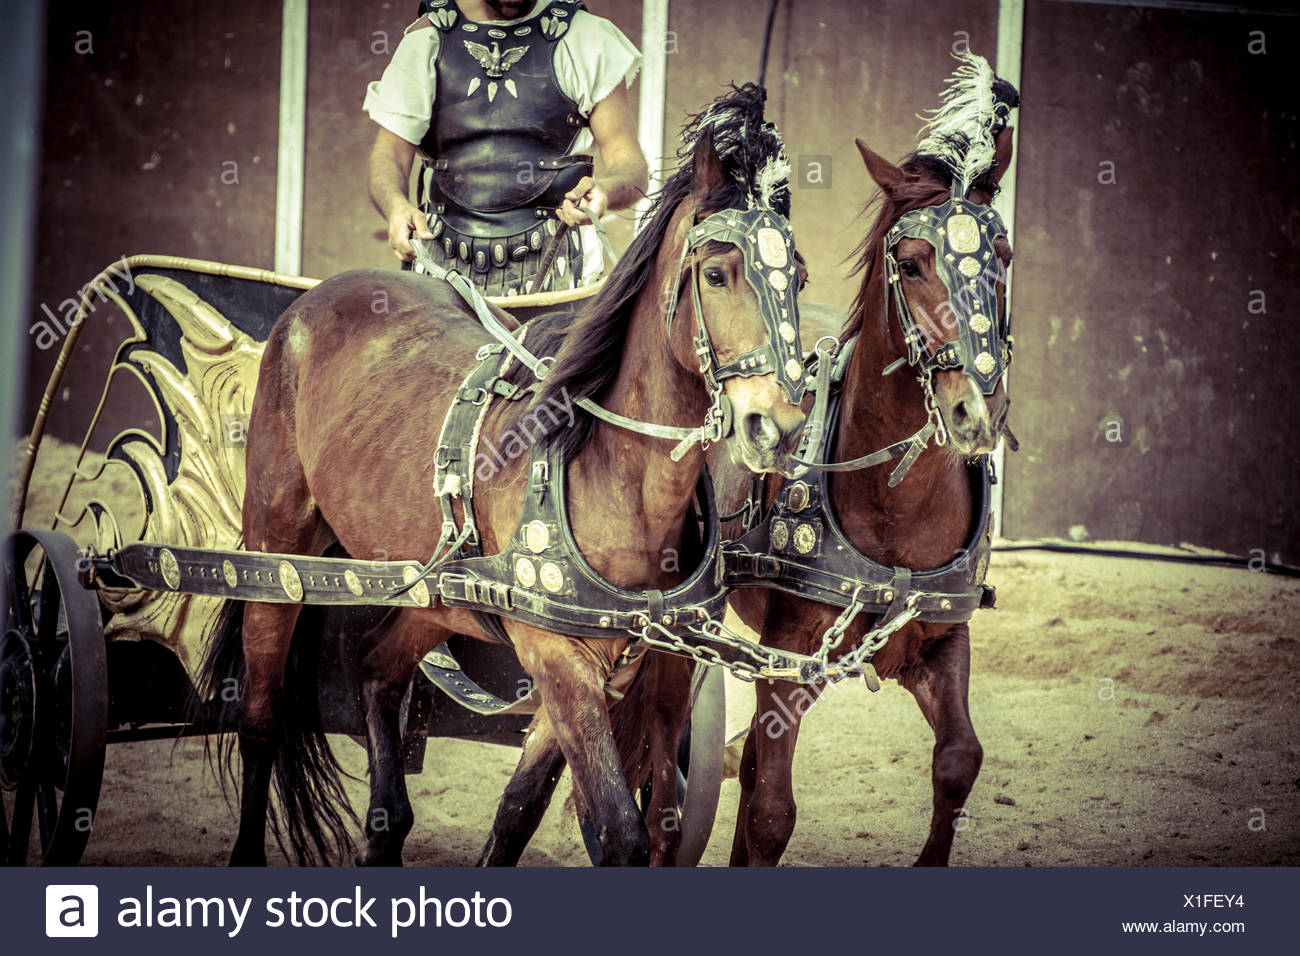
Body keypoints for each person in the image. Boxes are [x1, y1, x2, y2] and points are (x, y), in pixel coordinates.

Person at [364, 0, 648, 296]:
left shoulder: (588, 39)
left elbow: (630, 166)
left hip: (559, 264)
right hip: (440, 259)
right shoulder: (426, 40)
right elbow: (390, 155)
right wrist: (395, 207)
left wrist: (606, 190)